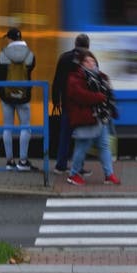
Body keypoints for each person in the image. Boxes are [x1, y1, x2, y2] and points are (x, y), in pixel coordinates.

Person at [66, 48, 120, 187]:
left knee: (104, 146)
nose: (91, 63)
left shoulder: (100, 76)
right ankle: (73, 174)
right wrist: (99, 97)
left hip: (100, 118)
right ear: (82, 64)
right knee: (82, 147)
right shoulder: (75, 78)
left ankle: (109, 175)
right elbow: (80, 95)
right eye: (87, 61)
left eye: (92, 60)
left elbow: (108, 93)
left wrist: (109, 104)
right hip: (86, 118)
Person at [0, 27, 36, 171]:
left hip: (6, 97)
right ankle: (23, 162)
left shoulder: (2, 54)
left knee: (8, 127)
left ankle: (9, 162)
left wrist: (1, 93)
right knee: (25, 127)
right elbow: (31, 69)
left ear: (9, 39)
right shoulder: (30, 54)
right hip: (23, 97)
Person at [51, 33, 91, 175]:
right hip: (82, 104)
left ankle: (60, 165)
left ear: (75, 44)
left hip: (67, 103)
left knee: (65, 135)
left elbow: (56, 82)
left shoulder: (64, 58)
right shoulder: (88, 60)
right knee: (81, 137)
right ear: (87, 45)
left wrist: (56, 101)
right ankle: (78, 167)